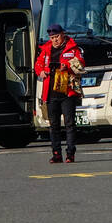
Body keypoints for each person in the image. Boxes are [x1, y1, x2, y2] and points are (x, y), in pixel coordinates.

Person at [35, 23, 85, 163]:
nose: (55, 40)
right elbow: (38, 65)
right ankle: (56, 153)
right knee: (53, 125)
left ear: (63, 34)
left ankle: (70, 153)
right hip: (50, 93)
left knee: (69, 124)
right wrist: (41, 71)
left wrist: (67, 66)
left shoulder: (72, 48)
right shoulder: (45, 49)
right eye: (52, 37)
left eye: (57, 36)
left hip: (67, 92)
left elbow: (81, 63)